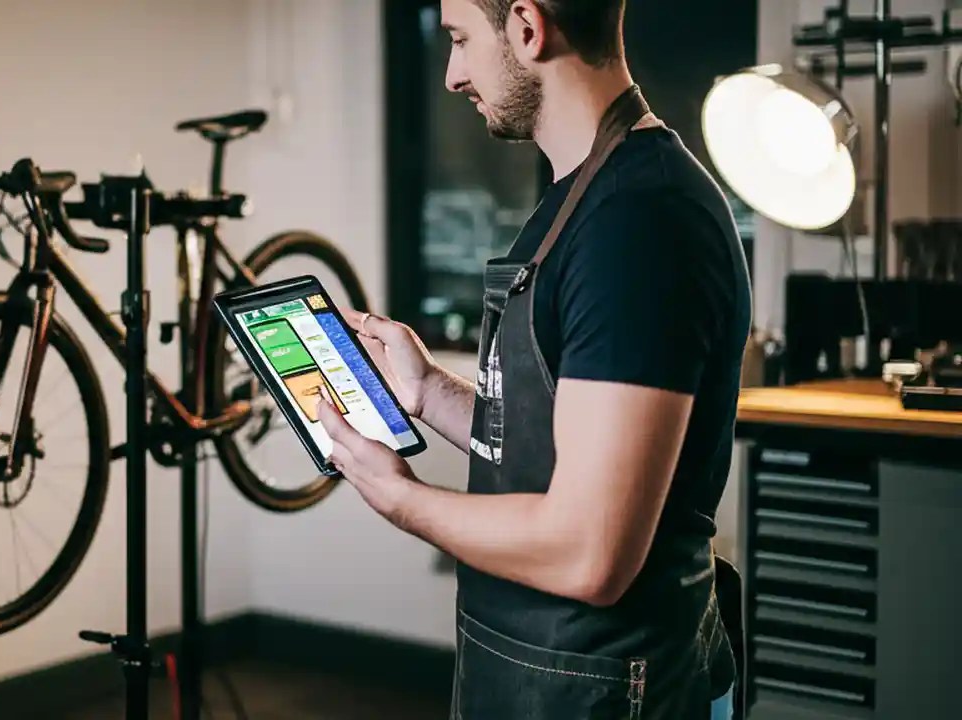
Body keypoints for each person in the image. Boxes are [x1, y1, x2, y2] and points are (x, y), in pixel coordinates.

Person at [314, 0, 751, 718]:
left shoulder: (639, 222)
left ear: (526, 25)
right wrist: (429, 391)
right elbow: (555, 440)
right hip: (531, 668)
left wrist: (405, 500)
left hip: (603, 688)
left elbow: (591, 553)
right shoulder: (582, 198)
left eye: (460, 39)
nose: (453, 74)